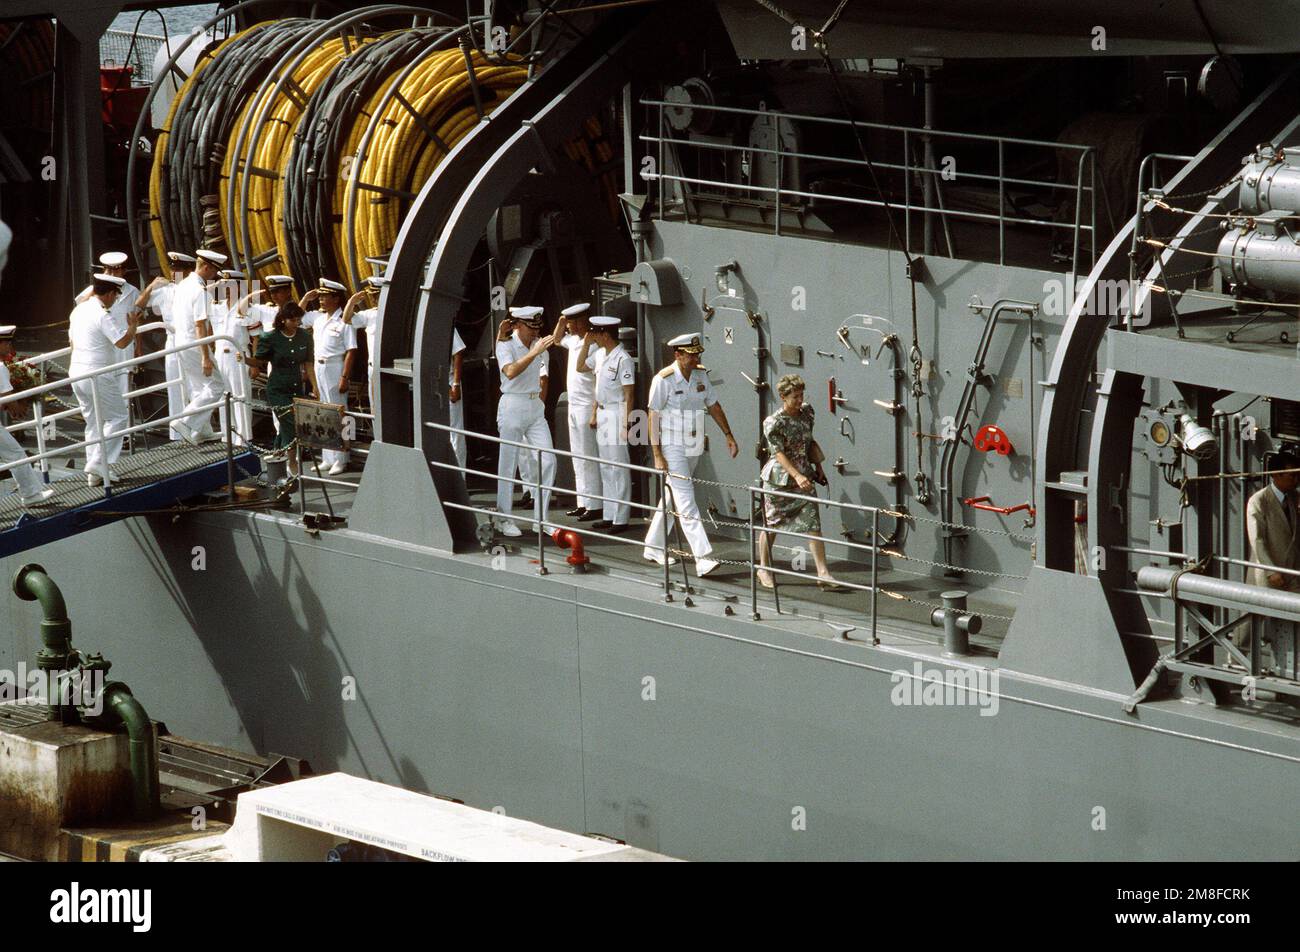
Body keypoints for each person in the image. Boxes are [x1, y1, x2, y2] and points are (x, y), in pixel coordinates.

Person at [642, 332, 738, 577]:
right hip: (672, 445)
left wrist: (728, 434)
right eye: (691, 355)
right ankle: (703, 558)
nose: (696, 359)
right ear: (678, 354)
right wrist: (657, 453)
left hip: (693, 443)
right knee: (686, 500)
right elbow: (653, 416)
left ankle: (652, 546)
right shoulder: (663, 380)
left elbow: (714, 405)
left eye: (697, 355)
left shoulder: (700, 375)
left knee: (673, 495)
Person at [756, 374, 843, 591]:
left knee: (813, 524)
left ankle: (823, 572)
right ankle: (764, 568)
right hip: (780, 481)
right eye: (794, 396)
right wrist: (797, 475)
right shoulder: (774, 423)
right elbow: (779, 455)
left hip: (804, 475)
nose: (799, 400)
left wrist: (818, 469)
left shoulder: (807, 413)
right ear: (783, 397)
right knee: (772, 524)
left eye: (801, 395)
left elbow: (809, 442)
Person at [67, 273, 138, 485]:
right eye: (115, 296)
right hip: (97, 373)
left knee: (93, 422)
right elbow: (121, 342)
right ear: (107, 294)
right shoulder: (101, 314)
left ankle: (94, 474)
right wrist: (133, 326)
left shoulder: (78, 310)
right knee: (117, 417)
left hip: (77, 371)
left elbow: (71, 342)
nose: (116, 300)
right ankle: (98, 462)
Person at [494, 305, 554, 537]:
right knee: (507, 464)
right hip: (512, 404)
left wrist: (537, 350)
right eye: (531, 328)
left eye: (538, 327)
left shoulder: (541, 348)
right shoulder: (506, 345)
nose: (535, 333)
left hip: (534, 406)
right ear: (517, 325)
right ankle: (504, 518)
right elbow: (509, 372)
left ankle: (542, 519)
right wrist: (532, 353)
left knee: (548, 461)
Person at [1246, 450, 1300, 676]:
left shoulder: (1295, 499)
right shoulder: (1259, 501)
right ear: (1276, 475)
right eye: (1292, 475)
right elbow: (1257, 540)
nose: (1296, 480)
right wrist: (1269, 571)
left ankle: (1287, 668)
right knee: (1256, 618)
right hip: (1269, 573)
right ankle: (1240, 659)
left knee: (1292, 619)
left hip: (1292, 572)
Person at [248, 302, 317, 476]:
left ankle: (277, 457)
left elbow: (308, 364)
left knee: (286, 426)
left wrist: (315, 386)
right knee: (290, 425)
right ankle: (292, 463)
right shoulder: (270, 338)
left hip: (296, 388)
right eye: (293, 320)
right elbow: (258, 361)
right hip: (277, 389)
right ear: (283, 320)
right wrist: (244, 360)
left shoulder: (305, 337)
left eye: (298, 320)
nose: (297, 323)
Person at [170, 249, 229, 444]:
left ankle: (203, 430)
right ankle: (185, 422)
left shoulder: (184, 285)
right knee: (217, 385)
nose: (214, 276)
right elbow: (200, 324)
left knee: (199, 386)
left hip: (181, 342)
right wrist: (205, 356)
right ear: (206, 267)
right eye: (213, 272)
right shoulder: (199, 291)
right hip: (195, 344)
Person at [300, 279, 357, 475]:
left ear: (336, 298)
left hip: (335, 367)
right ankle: (328, 457)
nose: (321, 300)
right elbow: (297, 318)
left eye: (325, 296)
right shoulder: (318, 317)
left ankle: (342, 458)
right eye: (320, 296)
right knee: (323, 412)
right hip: (318, 366)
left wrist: (344, 377)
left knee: (340, 413)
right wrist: (307, 298)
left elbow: (351, 350)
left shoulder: (345, 320)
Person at [138, 252, 195, 439]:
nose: (173, 273)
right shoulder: (165, 291)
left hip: (193, 341)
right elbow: (138, 305)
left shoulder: (197, 290)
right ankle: (177, 436)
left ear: (188, 271)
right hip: (173, 343)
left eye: (178, 270)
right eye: (171, 269)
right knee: (175, 390)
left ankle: (195, 431)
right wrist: (150, 287)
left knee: (196, 389)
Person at [585, 316, 634, 532]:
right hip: (604, 412)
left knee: (618, 467)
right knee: (606, 465)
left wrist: (627, 423)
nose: (593, 336)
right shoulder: (600, 355)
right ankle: (609, 513)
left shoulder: (623, 359)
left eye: (595, 333)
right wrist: (595, 412)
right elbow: (589, 378)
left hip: (617, 413)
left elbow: (629, 393)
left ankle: (621, 518)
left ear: (605, 334)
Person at [554, 302, 600, 520]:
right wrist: (561, 321)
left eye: (571, 322)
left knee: (589, 457)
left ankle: (595, 504)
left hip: (586, 406)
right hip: (573, 405)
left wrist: (594, 411)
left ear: (581, 322)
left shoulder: (593, 346)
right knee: (577, 457)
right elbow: (555, 339)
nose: (568, 326)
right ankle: (582, 501)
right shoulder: (573, 341)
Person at [0, 325, 54, 505]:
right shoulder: (0, 367)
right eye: (6, 343)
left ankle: (31, 493)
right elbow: (8, 398)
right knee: (15, 454)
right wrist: (19, 408)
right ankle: (31, 495)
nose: (9, 347)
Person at [210, 268, 261, 445]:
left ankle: (245, 439)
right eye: (223, 284)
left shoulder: (248, 308)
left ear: (239, 287)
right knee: (224, 399)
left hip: (238, 357)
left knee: (240, 397)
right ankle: (228, 438)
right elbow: (201, 295)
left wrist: (254, 364)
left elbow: (256, 337)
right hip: (219, 356)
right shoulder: (216, 307)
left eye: (229, 284)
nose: (225, 288)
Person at [341, 276, 385, 414]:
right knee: (375, 409)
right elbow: (346, 319)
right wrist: (352, 301)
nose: (372, 299)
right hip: (373, 367)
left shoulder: (397, 314)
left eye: (375, 296)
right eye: (372, 296)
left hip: (389, 368)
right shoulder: (369, 315)